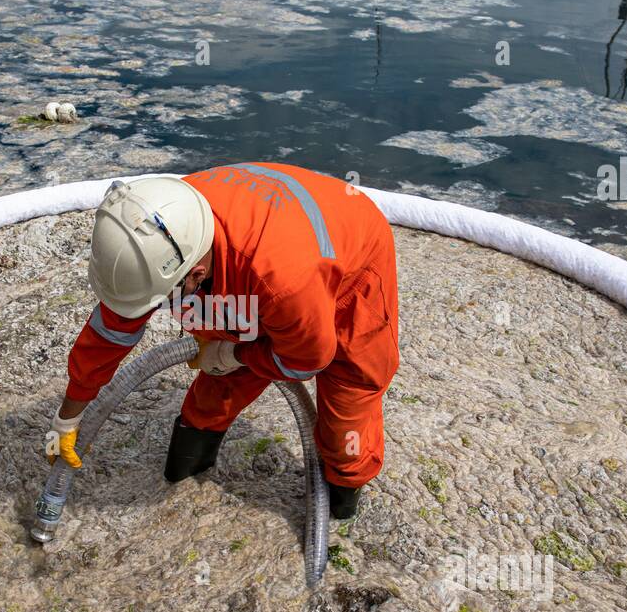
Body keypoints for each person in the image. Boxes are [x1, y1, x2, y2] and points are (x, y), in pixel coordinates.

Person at [47, 163, 399, 519]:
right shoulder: (159, 232)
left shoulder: (285, 281)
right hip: (260, 250)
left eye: (164, 299)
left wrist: (234, 354)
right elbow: (108, 336)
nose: (159, 309)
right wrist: (68, 418)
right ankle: (191, 458)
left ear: (196, 274)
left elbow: (307, 360)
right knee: (219, 377)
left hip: (349, 256)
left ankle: (342, 498)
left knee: (348, 402)